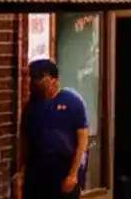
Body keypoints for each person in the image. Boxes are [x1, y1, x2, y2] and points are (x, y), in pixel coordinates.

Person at [15, 59, 89, 199]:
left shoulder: (73, 102)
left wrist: (73, 174)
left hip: (63, 171)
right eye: (33, 78)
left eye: (40, 78)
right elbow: (24, 140)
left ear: (54, 79)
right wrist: (21, 172)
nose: (36, 82)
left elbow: (82, 141)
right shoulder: (31, 107)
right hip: (37, 173)